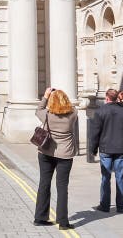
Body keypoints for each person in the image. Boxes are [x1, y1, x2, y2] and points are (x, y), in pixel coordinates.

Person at [33, 87, 78, 230]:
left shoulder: (46, 114)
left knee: (44, 184)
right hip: (65, 154)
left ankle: (40, 218)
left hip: (46, 152)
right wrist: (62, 97)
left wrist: (46, 96)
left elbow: (37, 109)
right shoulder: (73, 114)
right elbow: (71, 107)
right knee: (62, 187)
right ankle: (63, 222)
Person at [89, 88, 123, 214]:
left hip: (105, 149)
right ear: (116, 98)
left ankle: (104, 205)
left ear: (107, 98)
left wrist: (93, 150)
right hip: (121, 149)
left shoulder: (100, 111)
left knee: (105, 177)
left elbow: (95, 133)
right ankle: (122, 206)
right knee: (120, 177)